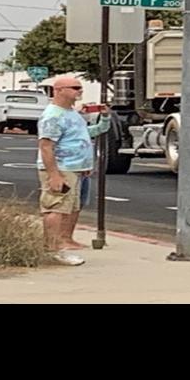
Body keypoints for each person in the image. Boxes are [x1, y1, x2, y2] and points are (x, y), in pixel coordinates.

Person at [36, 79, 107, 265]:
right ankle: (52, 250)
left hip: (75, 169)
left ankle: (62, 243)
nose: (79, 91)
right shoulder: (53, 115)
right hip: (62, 168)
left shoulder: (72, 113)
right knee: (55, 207)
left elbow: (81, 136)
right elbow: (46, 146)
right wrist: (54, 175)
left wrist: (84, 165)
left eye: (80, 88)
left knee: (69, 208)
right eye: (75, 88)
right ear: (59, 90)